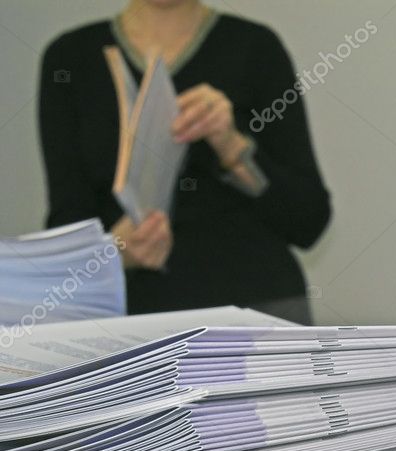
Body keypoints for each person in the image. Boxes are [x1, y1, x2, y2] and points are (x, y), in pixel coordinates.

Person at [38, 0, 331, 324]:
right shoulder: (70, 58)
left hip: (258, 310)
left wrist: (232, 146)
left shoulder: (255, 48)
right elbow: (66, 226)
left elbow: (309, 221)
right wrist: (114, 251)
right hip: (129, 322)